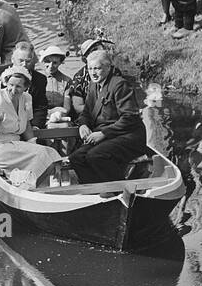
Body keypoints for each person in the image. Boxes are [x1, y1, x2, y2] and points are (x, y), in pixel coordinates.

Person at [64, 48, 149, 184]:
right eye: (90, 68)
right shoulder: (94, 85)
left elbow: (129, 117)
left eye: (97, 68)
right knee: (76, 158)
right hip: (108, 136)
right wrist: (83, 125)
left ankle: (119, 189)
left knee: (96, 155)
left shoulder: (120, 85)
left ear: (108, 68)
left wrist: (103, 133)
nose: (93, 73)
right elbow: (87, 112)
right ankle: (94, 188)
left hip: (128, 136)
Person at [0, 65, 63, 188]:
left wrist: (32, 145)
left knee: (50, 155)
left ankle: (25, 185)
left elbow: (27, 124)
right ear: (6, 83)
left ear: (26, 87)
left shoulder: (27, 98)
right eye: (11, 84)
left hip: (14, 145)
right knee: (46, 154)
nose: (13, 90)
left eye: (18, 86)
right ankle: (26, 187)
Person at [0, 41, 49, 130]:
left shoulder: (40, 79)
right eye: (21, 61)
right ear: (12, 59)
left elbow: (40, 107)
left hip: (25, 125)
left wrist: (35, 126)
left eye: (28, 61)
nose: (24, 65)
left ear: (33, 61)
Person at [66, 37, 114, 119]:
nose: (99, 52)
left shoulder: (113, 71)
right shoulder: (79, 78)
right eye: (94, 50)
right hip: (88, 117)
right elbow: (78, 107)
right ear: (85, 59)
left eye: (100, 48)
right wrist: (101, 109)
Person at [38, 44, 73, 124]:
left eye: (55, 63)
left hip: (60, 116)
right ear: (43, 61)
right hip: (40, 115)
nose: (50, 66)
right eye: (47, 62)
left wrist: (59, 114)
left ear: (60, 63)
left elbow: (66, 108)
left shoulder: (67, 81)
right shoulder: (36, 79)